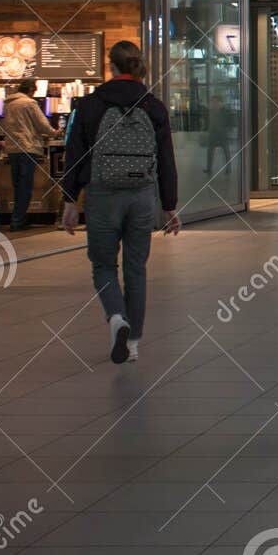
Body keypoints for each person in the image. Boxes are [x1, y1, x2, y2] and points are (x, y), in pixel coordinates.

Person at [60, 41, 180, 365]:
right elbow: (166, 159)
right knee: (136, 269)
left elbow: (75, 154)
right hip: (142, 196)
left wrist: (70, 199)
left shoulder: (89, 105)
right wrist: (169, 206)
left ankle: (116, 317)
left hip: (102, 195)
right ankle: (134, 343)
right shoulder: (153, 107)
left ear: (110, 67)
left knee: (103, 265)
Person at [0, 78, 55, 231]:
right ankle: (17, 221)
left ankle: (17, 218)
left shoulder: (8, 104)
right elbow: (42, 124)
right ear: (31, 90)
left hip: (12, 149)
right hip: (27, 147)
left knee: (17, 186)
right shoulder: (29, 103)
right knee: (25, 186)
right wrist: (54, 132)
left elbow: (5, 126)